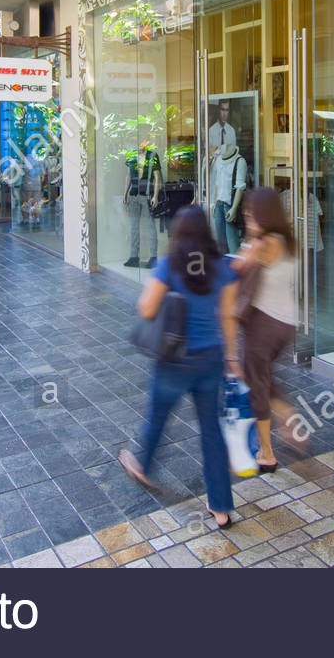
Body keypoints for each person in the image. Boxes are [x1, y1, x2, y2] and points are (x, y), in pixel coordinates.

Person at [119, 206, 237, 529]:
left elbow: (146, 307)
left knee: (158, 417)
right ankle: (221, 507)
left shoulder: (169, 264)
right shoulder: (221, 267)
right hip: (211, 359)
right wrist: (231, 360)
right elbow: (228, 318)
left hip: (175, 359)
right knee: (212, 432)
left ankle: (141, 464)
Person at [229, 188, 297, 473]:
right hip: (287, 323)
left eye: (250, 211)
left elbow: (235, 267)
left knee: (257, 385)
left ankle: (266, 453)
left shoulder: (262, 244)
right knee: (264, 376)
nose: (245, 215)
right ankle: (289, 419)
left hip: (265, 325)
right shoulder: (285, 240)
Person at [123, 135, 162, 267]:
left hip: (147, 194)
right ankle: (133, 256)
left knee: (150, 225)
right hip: (134, 193)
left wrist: (155, 195)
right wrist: (125, 193)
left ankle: (153, 257)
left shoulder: (152, 156)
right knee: (133, 226)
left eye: (142, 141)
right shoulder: (131, 155)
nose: (140, 143)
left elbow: (157, 177)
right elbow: (128, 175)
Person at [210, 141, 248, 254]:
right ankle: (224, 267)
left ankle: (234, 268)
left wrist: (234, 208)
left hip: (230, 204)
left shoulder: (240, 162)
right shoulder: (219, 161)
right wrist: (215, 201)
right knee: (220, 242)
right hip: (219, 204)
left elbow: (240, 187)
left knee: (233, 242)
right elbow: (217, 183)